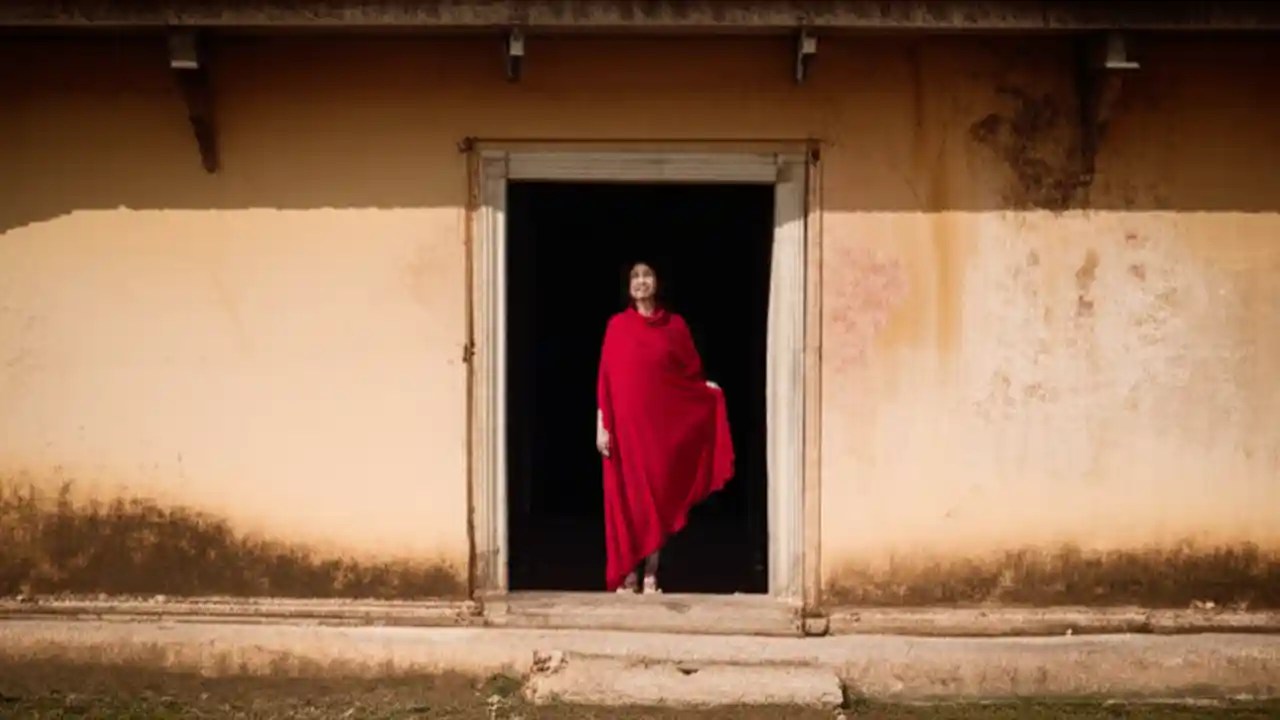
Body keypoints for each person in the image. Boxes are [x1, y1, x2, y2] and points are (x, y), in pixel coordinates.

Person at [595, 261, 735, 594]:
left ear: (657, 283)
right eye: (634, 277)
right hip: (624, 429)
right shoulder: (616, 327)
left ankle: (651, 571)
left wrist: (706, 393)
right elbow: (605, 380)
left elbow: (689, 374)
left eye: (646, 276)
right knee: (626, 499)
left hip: (659, 431)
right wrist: (601, 425)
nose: (641, 282)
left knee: (655, 498)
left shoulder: (675, 327)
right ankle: (628, 571)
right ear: (628, 285)